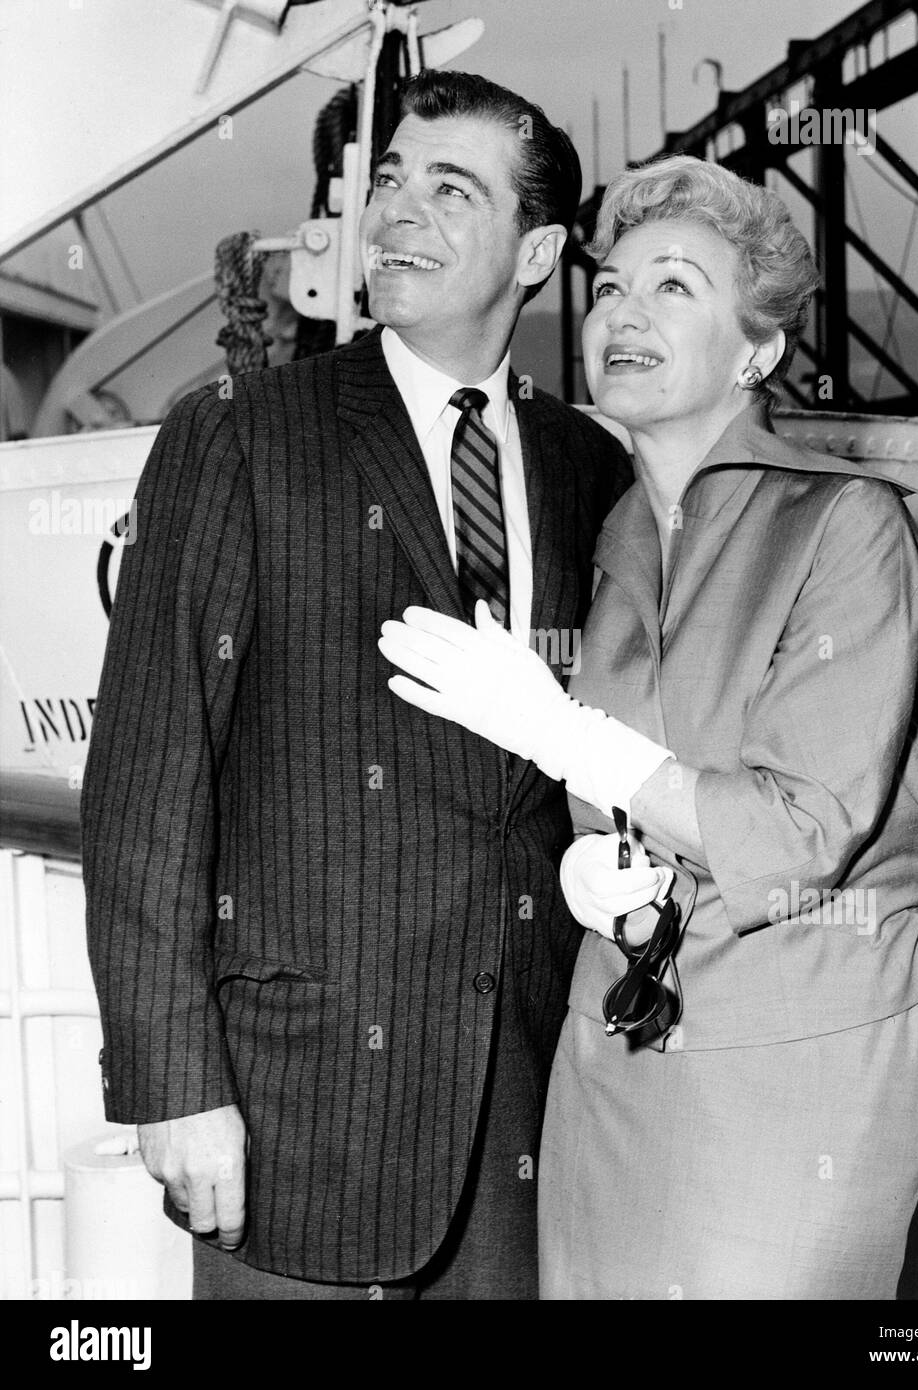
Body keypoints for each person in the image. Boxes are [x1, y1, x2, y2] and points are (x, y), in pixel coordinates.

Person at [80, 70, 630, 1301]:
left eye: (451, 189)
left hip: (529, 1127)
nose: (395, 213)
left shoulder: (587, 466)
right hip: (296, 1116)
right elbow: (147, 780)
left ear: (538, 250)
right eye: (390, 179)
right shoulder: (238, 432)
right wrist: (173, 1088)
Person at [379, 153, 918, 1300]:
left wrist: (563, 738)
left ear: (758, 350)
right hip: (615, 1055)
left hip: (796, 1072)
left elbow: (795, 831)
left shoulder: (847, 526)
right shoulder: (619, 536)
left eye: (674, 286)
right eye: (608, 289)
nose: (622, 314)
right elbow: (639, 794)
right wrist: (593, 866)